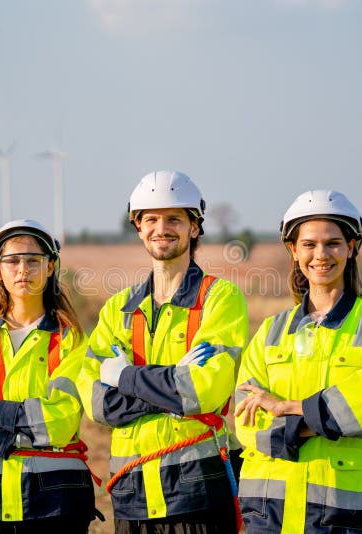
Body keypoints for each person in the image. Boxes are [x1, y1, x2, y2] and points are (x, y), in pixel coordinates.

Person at [77, 170, 249, 533]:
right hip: (131, 493)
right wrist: (172, 383)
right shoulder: (117, 309)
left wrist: (124, 377)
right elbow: (98, 404)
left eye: (174, 219)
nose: (161, 228)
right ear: (138, 228)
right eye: (150, 219)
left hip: (199, 489)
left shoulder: (220, 299)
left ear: (195, 227)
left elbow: (205, 391)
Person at [233, 190, 362, 533]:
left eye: (332, 243)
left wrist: (289, 407)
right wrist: (323, 421)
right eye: (309, 244)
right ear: (294, 250)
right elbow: (247, 420)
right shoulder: (272, 330)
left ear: (351, 247)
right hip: (273, 513)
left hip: (351, 514)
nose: (321, 255)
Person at [0, 219, 99, 534]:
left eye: (33, 260)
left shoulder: (71, 341)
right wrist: (23, 430)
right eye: (12, 261)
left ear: (50, 267)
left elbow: (60, 421)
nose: (22, 268)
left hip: (55, 499)